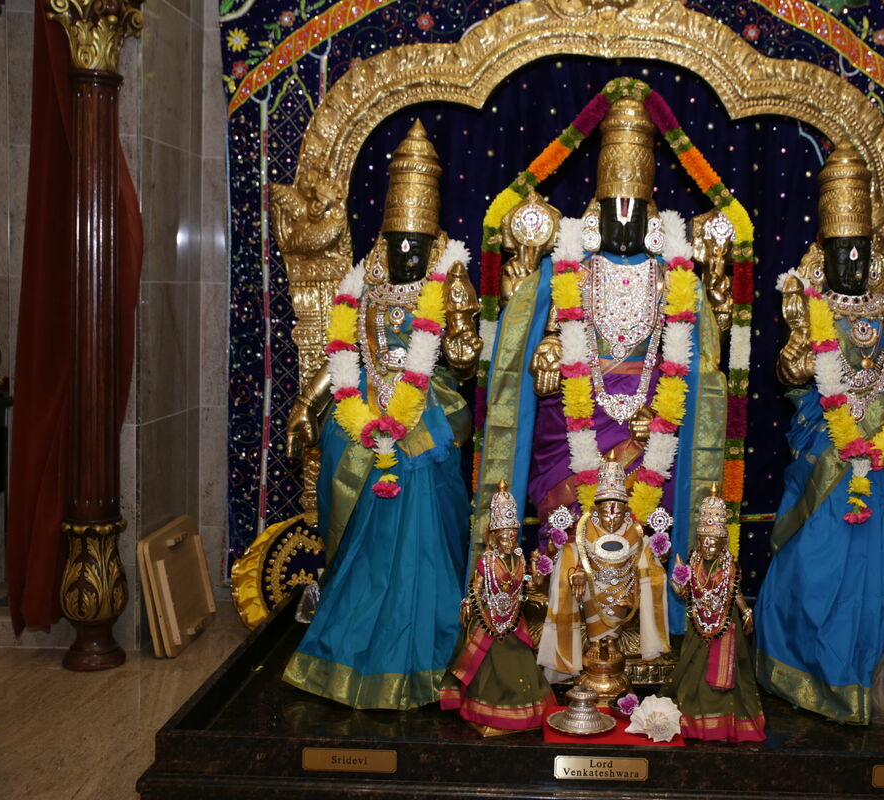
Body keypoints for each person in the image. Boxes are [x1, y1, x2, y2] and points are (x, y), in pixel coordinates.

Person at [472, 97, 726, 633]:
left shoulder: (677, 280)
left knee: (655, 505)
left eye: (636, 208)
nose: (625, 220)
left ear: (652, 213)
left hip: (652, 422)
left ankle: (645, 624)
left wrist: (659, 409)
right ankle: (564, 614)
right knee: (568, 516)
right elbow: (523, 346)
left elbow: (699, 369)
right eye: (615, 208)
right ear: (597, 211)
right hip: (571, 420)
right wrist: (545, 355)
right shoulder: (563, 274)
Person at [280, 120, 481, 709]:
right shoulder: (361, 282)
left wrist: (465, 337)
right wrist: (305, 406)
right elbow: (338, 356)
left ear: (435, 239)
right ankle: (347, 638)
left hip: (427, 410)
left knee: (422, 488)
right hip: (361, 406)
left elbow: (466, 363)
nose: (408, 255)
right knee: (356, 495)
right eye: (399, 245)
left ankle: (430, 646)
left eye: (418, 245)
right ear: (385, 237)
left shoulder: (450, 279)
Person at [755, 142, 884, 724]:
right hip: (830, 442)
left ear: (872, 253)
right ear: (824, 249)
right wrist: (798, 337)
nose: (850, 260)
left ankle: (876, 672)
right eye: (839, 250)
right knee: (819, 558)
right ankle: (812, 668)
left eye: (859, 250)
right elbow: (793, 375)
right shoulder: (810, 304)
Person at [537, 451, 670, 685]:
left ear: (625, 511)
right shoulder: (584, 531)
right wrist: (576, 574)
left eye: (618, 513)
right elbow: (572, 556)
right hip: (592, 591)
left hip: (622, 594)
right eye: (607, 512)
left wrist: (654, 561)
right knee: (596, 632)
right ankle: (596, 646)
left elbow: (646, 560)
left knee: (614, 630)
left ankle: (611, 644)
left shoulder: (634, 533)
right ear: (597, 510)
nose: (612, 519)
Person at [440, 481, 555, 734]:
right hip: (488, 621)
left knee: (518, 663)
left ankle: (520, 713)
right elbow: (476, 587)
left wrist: (537, 574)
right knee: (487, 665)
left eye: (512, 535)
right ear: (493, 537)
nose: (508, 540)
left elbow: (527, 584)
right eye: (503, 536)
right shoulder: (487, 561)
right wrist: (470, 603)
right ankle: (485, 711)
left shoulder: (521, 559)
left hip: (514, 620)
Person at [662, 485, 765, 742]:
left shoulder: (729, 566)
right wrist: (677, 585)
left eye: (713, 543)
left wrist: (746, 611)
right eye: (703, 542)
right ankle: (694, 720)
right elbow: (688, 594)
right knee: (693, 672)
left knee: (729, 674)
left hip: (726, 627)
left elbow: (734, 592)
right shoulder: (693, 561)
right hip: (698, 628)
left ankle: (724, 723)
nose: (707, 547)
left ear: (722, 543)